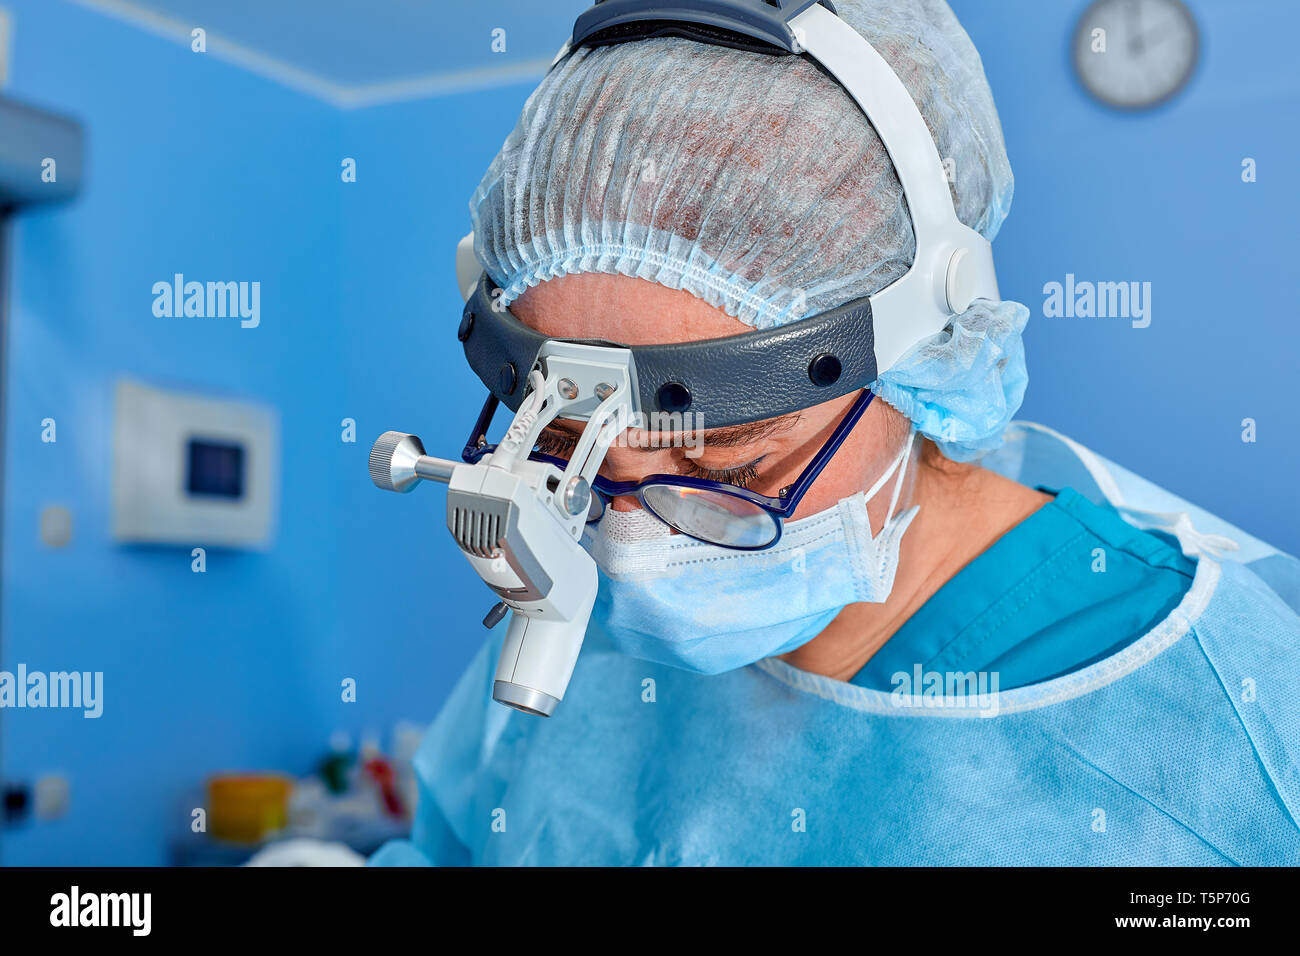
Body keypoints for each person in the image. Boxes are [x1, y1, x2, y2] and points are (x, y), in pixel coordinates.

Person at [372, 0, 1300, 865]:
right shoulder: (586, 633)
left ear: (929, 351)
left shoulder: (1237, 719)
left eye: (723, 454)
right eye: (568, 452)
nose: (628, 549)